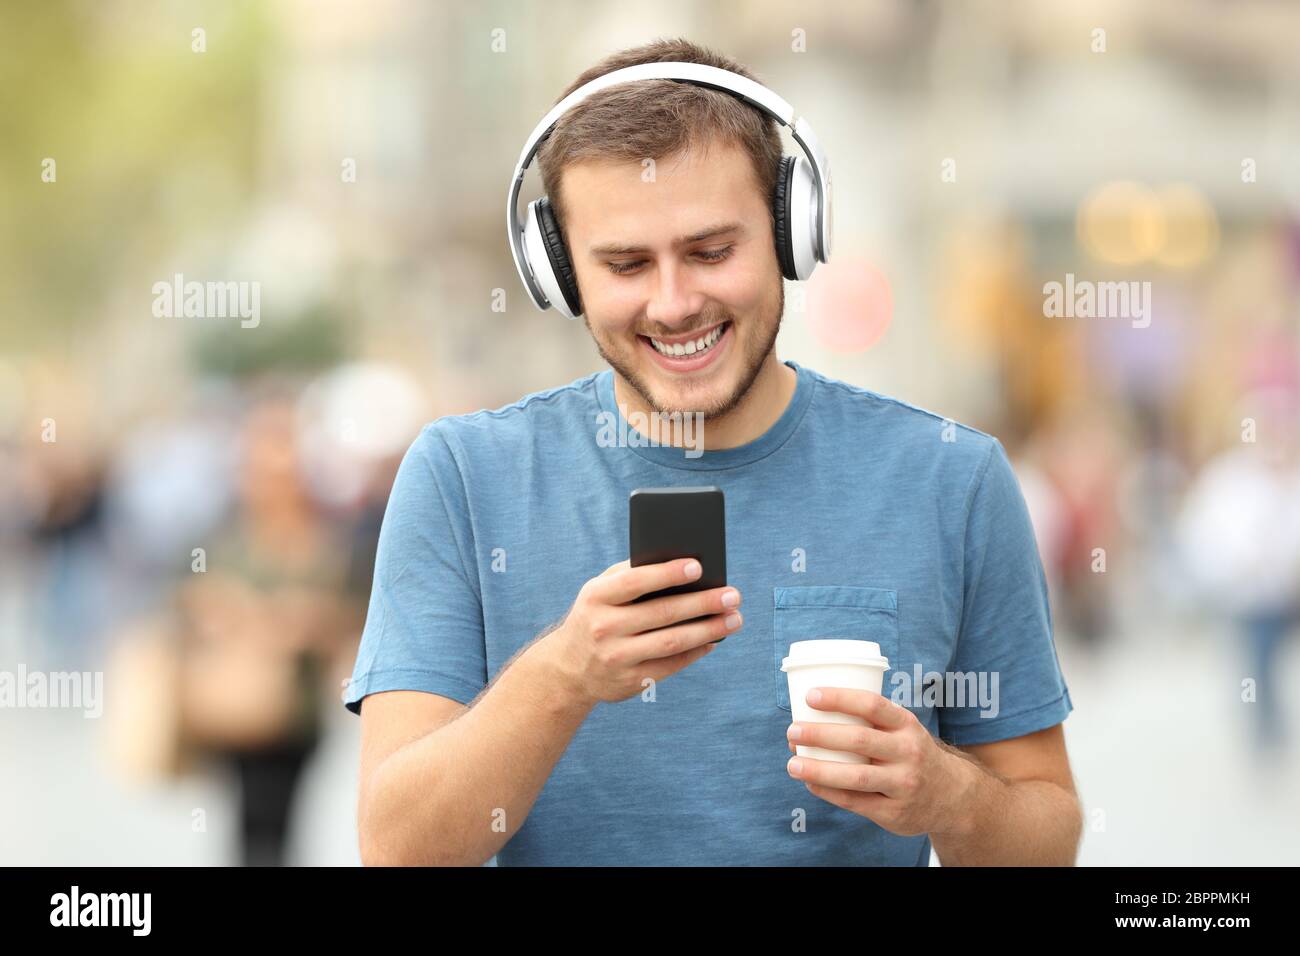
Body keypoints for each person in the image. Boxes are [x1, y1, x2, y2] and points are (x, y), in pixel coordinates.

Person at [345, 38, 1079, 866]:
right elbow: (397, 850)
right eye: (625, 264)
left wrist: (952, 798)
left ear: (790, 232)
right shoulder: (461, 480)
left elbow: (1047, 841)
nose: (673, 302)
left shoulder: (953, 479)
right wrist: (564, 674)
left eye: (710, 252)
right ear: (559, 272)